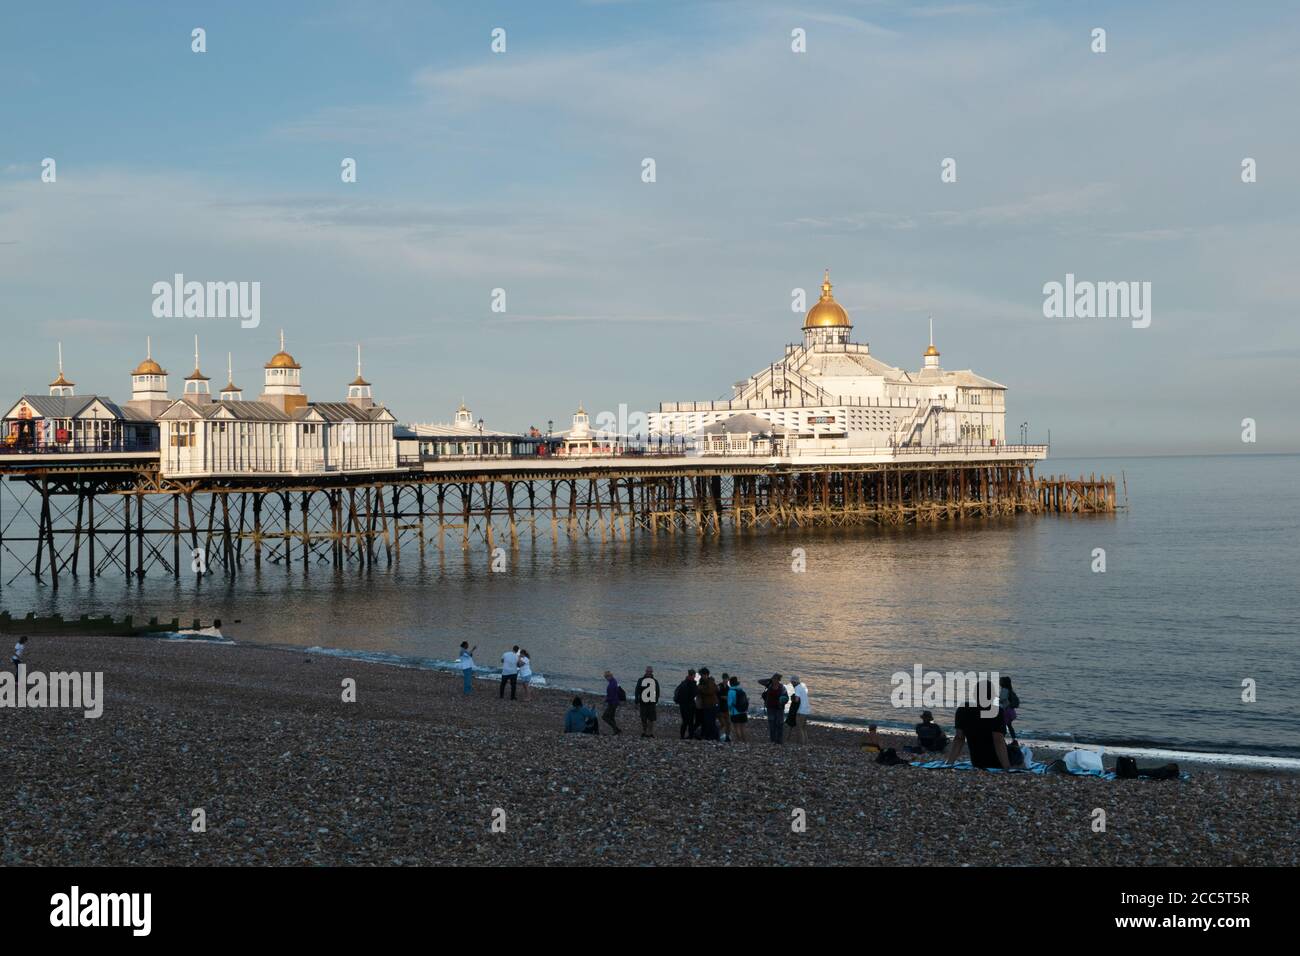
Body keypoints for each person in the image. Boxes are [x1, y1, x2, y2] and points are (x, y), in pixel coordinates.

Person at [946, 680, 1010, 770]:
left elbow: (959, 738)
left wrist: (949, 763)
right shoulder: (997, 712)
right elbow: (998, 740)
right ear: (992, 696)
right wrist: (1007, 768)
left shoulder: (963, 710)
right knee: (1020, 752)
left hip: (977, 762)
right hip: (997, 762)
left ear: (975, 695)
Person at [760, 673, 788, 744]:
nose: (774, 680)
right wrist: (769, 680)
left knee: (779, 725)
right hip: (770, 708)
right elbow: (759, 681)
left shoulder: (782, 687)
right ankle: (773, 741)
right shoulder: (769, 685)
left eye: (775, 679)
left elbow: (786, 698)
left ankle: (779, 741)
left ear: (778, 680)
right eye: (773, 679)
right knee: (772, 725)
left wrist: (782, 701)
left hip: (779, 709)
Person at [635, 666, 661, 738]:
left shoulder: (655, 681)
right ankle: (644, 731)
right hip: (643, 702)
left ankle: (650, 732)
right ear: (645, 672)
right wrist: (636, 700)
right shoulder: (640, 680)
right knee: (643, 718)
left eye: (650, 672)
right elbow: (637, 690)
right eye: (648, 671)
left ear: (652, 672)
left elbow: (658, 691)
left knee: (651, 719)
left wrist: (656, 700)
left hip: (651, 702)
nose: (649, 673)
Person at [696, 668, 720, 741]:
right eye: (700, 675)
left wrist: (701, 688)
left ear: (706, 675)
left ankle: (714, 737)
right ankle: (707, 736)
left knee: (710, 722)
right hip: (706, 705)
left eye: (702, 675)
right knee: (706, 721)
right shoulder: (703, 681)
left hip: (711, 705)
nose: (701, 676)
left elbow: (710, 691)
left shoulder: (710, 681)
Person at [674, 669, 698, 739]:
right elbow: (694, 694)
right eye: (694, 675)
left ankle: (682, 736)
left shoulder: (683, 683)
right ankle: (690, 736)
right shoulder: (691, 683)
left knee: (685, 721)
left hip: (683, 705)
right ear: (693, 675)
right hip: (689, 705)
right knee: (690, 722)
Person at [789, 675, 811, 745]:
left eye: (792, 682)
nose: (791, 684)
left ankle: (801, 743)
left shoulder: (797, 688)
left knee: (799, 727)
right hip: (807, 710)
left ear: (794, 682)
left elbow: (797, 700)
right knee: (803, 728)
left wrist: (792, 698)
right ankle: (806, 742)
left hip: (801, 710)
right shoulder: (802, 687)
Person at [726, 675, 749, 743]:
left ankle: (739, 741)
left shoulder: (730, 692)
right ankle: (745, 741)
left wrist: (729, 711)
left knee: (736, 728)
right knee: (743, 728)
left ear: (730, 683)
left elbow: (729, 704)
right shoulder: (741, 690)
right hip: (743, 712)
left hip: (735, 712)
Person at [999, 675, 1020, 743]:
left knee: (1002, 725)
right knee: (1009, 726)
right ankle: (1014, 739)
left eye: (1000, 681)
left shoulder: (1004, 690)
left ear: (1003, 683)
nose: (999, 682)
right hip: (1011, 711)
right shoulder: (1010, 690)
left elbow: (1002, 700)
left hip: (1006, 711)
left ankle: (1002, 739)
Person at [602, 671, 622, 735]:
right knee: (611, 717)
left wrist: (606, 699)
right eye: (606, 677)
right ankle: (616, 730)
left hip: (612, 703)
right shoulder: (614, 681)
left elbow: (612, 695)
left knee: (605, 717)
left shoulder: (612, 684)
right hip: (614, 702)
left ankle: (616, 729)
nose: (606, 679)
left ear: (610, 676)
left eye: (607, 677)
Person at [717, 672, 732, 742]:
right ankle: (716, 734)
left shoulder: (729, 688)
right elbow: (719, 696)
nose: (725, 680)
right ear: (722, 679)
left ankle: (727, 737)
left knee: (728, 723)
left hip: (726, 708)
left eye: (726, 679)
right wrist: (725, 697)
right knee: (722, 724)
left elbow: (729, 697)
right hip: (720, 708)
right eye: (724, 679)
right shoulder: (719, 686)